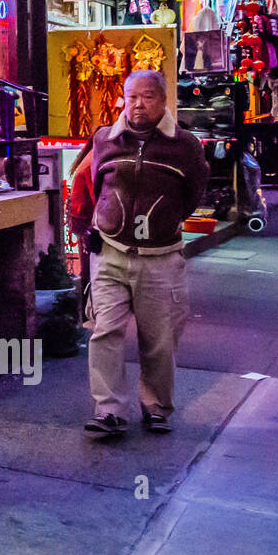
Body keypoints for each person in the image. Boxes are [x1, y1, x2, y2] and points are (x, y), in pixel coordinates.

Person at [69, 70, 210, 438]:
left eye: (147, 97)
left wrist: (163, 222)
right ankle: (109, 410)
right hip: (110, 253)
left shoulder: (185, 146)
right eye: (131, 97)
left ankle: (156, 406)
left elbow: (194, 194)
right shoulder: (104, 139)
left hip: (161, 256)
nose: (138, 104)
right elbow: (93, 183)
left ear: (163, 101)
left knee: (159, 338)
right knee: (106, 331)